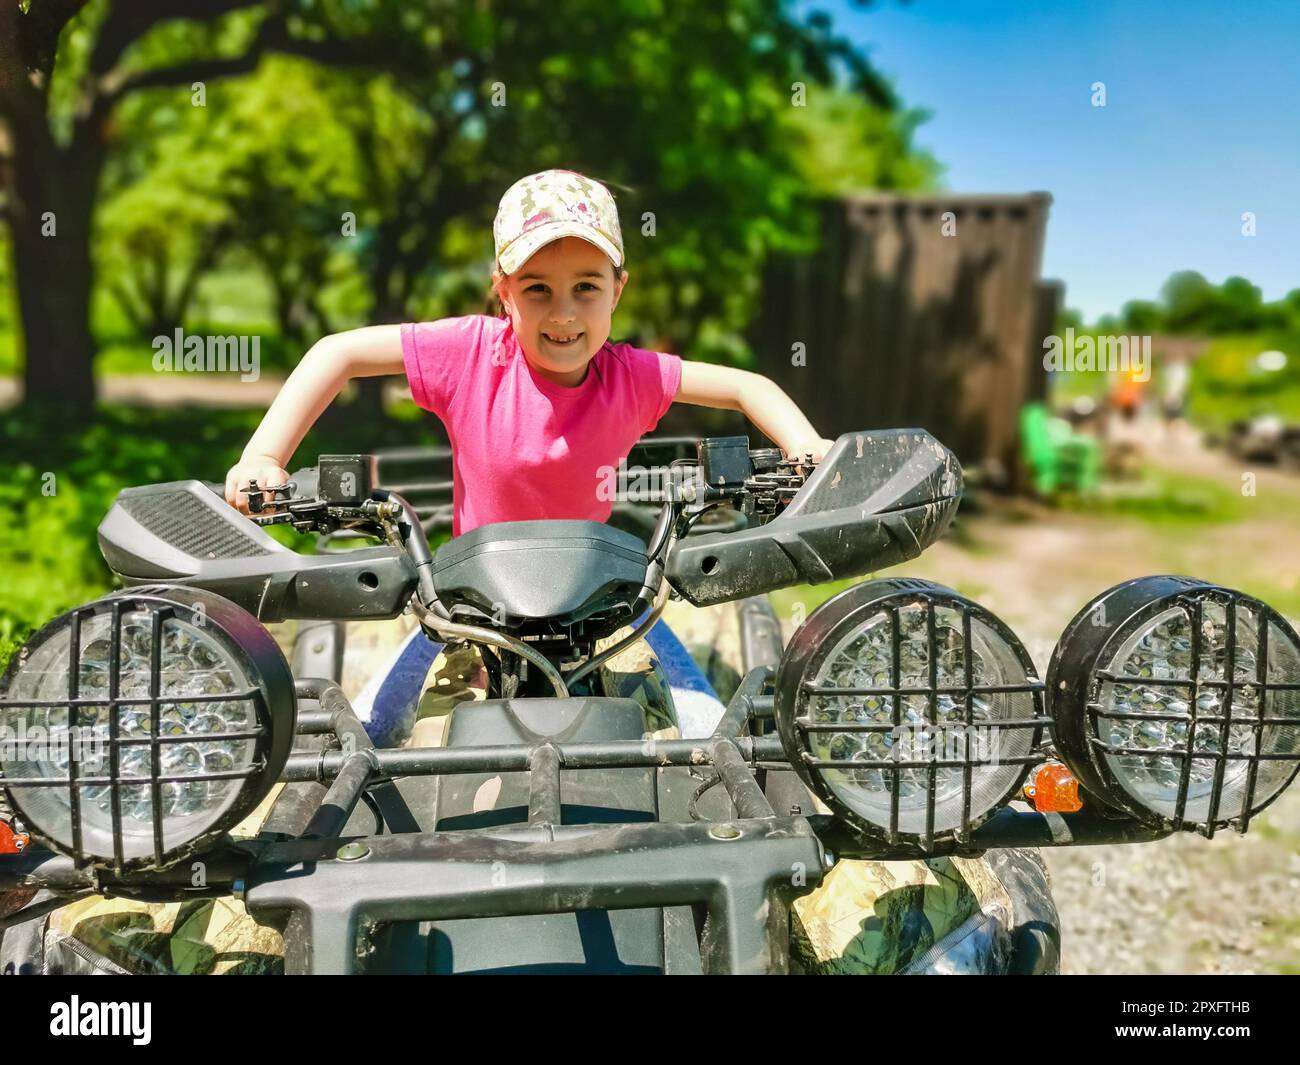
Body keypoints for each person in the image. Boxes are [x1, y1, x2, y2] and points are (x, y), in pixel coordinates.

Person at [224, 169, 833, 526]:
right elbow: (338, 352)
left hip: (601, 608)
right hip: (473, 610)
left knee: (698, 721)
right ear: (503, 292)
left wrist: (806, 449)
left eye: (586, 287)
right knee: (382, 727)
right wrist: (264, 457)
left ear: (617, 291)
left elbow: (747, 386)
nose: (563, 313)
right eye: (537, 288)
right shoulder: (469, 356)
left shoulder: (631, 377)